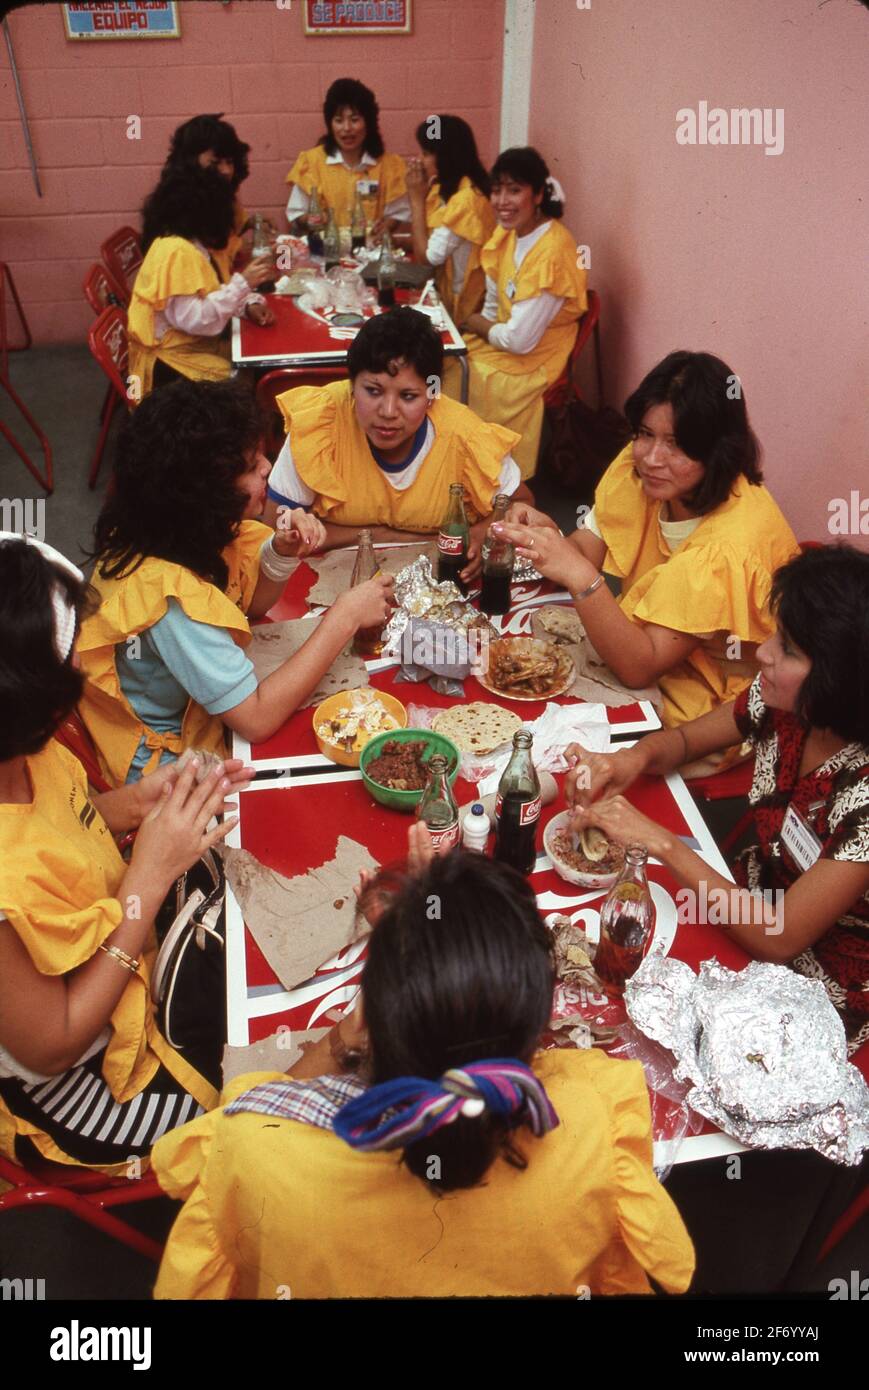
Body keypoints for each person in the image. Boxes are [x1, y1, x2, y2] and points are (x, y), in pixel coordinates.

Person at [151, 832, 694, 1297]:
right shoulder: (594, 1120)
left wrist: (357, 1021)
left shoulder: (253, 1151)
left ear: (374, 1014)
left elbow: (265, 1112)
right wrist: (440, 956)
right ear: (539, 1025)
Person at [0, 534, 250, 1171]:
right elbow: (52, 1046)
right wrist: (150, 876)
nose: (84, 666)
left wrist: (143, 801)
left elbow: (68, 824)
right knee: (251, 1118)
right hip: (79, 1079)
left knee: (245, 926)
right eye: (68, 657)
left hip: (126, 956)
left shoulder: (24, 751)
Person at [566, 545, 869, 1055]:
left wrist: (661, 842)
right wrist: (632, 759)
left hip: (816, 983)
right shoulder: (785, 701)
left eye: (789, 648)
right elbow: (685, 743)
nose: (764, 653)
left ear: (841, 678)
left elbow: (780, 936)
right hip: (745, 893)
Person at [78, 379, 393, 788]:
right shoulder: (165, 595)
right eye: (250, 465)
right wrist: (343, 618)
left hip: (207, 715)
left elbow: (249, 610)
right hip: (168, 777)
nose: (267, 467)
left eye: (262, 453)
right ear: (201, 492)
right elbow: (257, 719)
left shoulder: (172, 530)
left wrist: (280, 552)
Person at [495, 351, 799, 758]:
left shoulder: (727, 547)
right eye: (645, 433)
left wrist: (580, 577)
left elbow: (639, 667)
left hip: (703, 703)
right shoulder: (645, 469)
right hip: (638, 646)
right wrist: (545, 537)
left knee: (544, 743)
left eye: (677, 445)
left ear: (719, 450)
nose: (652, 457)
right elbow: (588, 548)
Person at [263, 307, 534, 582]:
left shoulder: (465, 437)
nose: (389, 411)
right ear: (351, 386)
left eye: (408, 396)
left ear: (432, 396)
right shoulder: (321, 421)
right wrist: (386, 535)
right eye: (373, 391)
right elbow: (274, 524)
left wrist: (483, 530)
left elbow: (523, 503)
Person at [442, 146, 588, 479]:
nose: (502, 201)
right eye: (496, 190)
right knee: (444, 359)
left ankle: (482, 477)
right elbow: (494, 305)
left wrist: (476, 322)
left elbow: (520, 341)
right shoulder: (508, 236)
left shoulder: (552, 250)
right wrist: (478, 326)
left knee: (461, 380)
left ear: (538, 195)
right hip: (504, 338)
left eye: (514, 190)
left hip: (536, 355)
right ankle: (449, 465)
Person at [129, 164, 275, 399]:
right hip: (168, 366)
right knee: (248, 382)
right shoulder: (175, 252)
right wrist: (243, 284)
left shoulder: (192, 244)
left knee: (255, 358)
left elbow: (212, 292)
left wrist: (248, 305)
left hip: (191, 345)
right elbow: (195, 319)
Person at [285, 77, 409, 233]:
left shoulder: (390, 165)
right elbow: (297, 213)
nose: (346, 128)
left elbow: (397, 213)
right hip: (327, 251)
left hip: (370, 250)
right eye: (338, 120)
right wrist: (311, 219)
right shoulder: (311, 162)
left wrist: (386, 227)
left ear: (368, 122)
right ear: (330, 124)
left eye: (354, 120)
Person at [406, 114, 496, 324]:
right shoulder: (450, 190)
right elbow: (433, 238)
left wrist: (416, 200)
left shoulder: (468, 199)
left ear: (446, 156)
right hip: (446, 293)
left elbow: (426, 259)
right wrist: (397, 240)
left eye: (427, 153)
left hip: (469, 309)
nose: (420, 160)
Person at [157, 113, 256, 282]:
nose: (226, 171)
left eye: (230, 162)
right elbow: (200, 299)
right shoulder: (181, 214)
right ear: (191, 163)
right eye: (215, 163)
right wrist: (244, 284)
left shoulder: (216, 197)